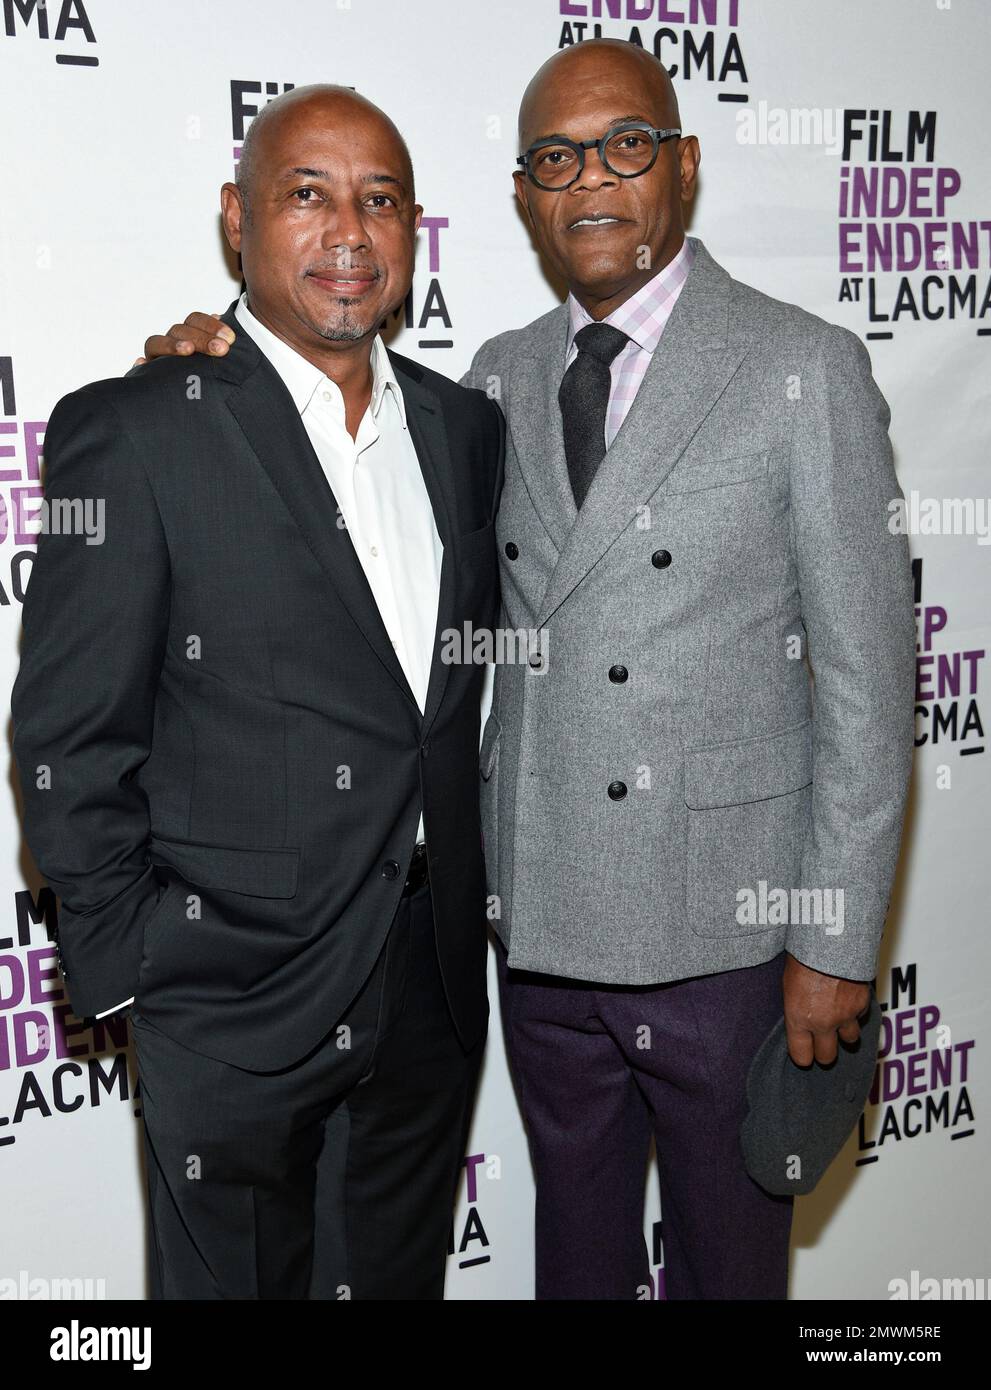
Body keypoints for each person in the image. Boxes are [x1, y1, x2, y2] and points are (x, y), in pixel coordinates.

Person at [134, 41, 916, 1301]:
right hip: (542, 930)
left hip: (727, 936)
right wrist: (210, 356)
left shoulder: (799, 367)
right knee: (577, 1261)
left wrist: (832, 938)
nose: (591, 180)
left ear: (684, 167)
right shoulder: (493, 378)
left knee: (728, 1270)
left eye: (624, 146)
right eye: (556, 157)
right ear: (523, 195)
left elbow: (874, 684)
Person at [12, 84, 504, 1300]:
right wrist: (136, 973)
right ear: (237, 219)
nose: (351, 230)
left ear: (413, 232)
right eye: (308, 193)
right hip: (229, 1002)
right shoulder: (138, 429)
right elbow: (69, 736)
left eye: (380, 200)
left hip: (427, 988)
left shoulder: (464, 428)